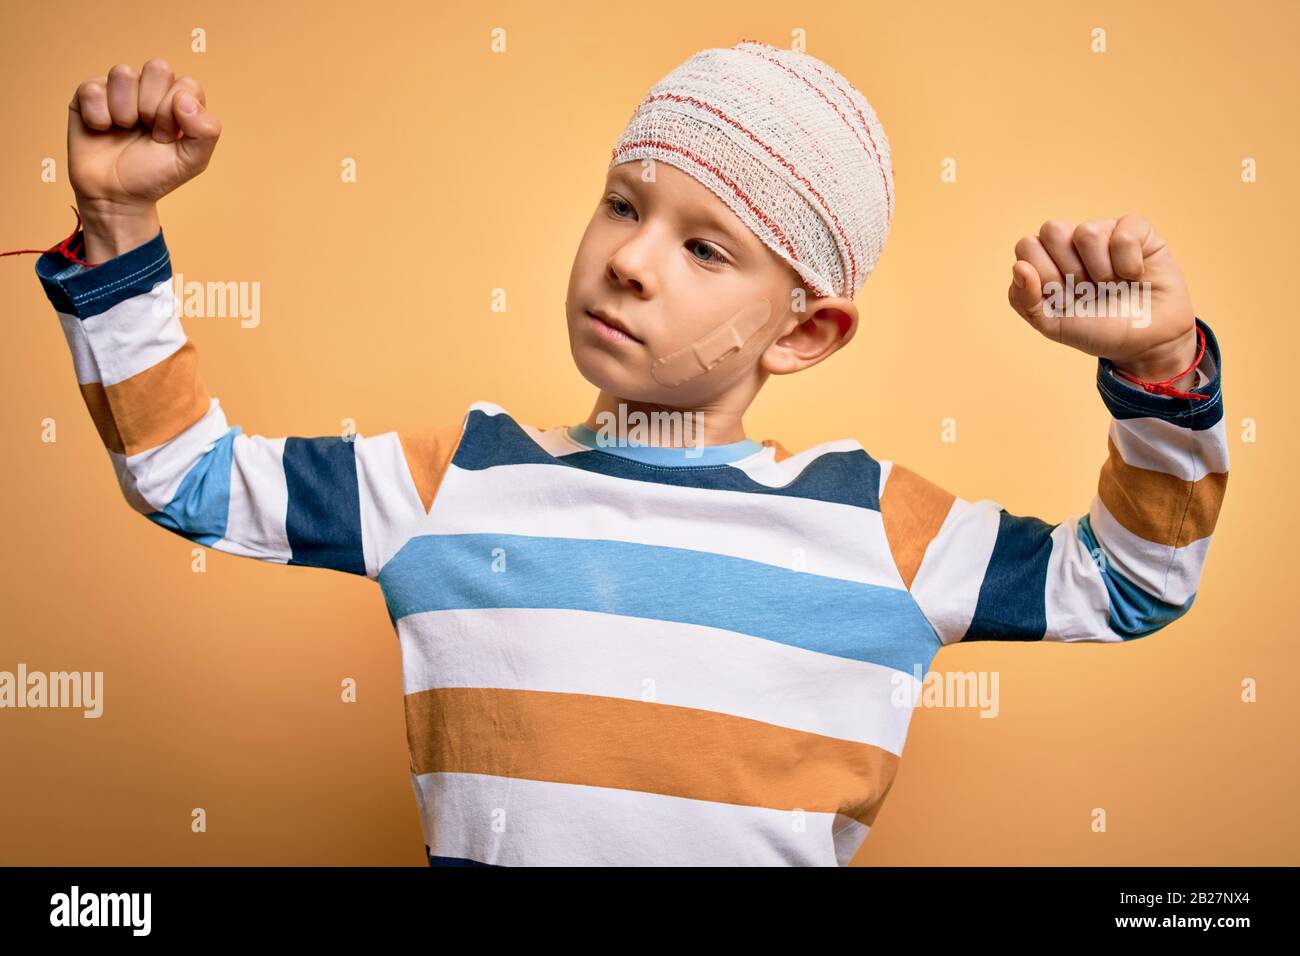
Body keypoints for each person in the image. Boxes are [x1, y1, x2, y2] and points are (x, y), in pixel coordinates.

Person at [21, 41, 1228, 866]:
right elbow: (186, 472)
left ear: (804, 330)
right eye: (621, 202)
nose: (631, 259)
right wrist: (123, 225)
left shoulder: (878, 528)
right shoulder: (453, 480)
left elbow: (1127, 582)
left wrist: (1160, 377)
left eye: (708, 249)